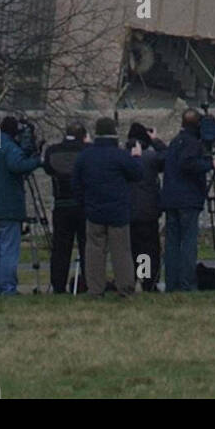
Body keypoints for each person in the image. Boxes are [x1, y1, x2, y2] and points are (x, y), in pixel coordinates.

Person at [71, 117, 143, 297]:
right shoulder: (120, 155)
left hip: (94, 210)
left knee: (94, 252)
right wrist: (137, 157)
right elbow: (137, 174)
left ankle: (95, 289)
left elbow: (76, 184)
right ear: (114, 132)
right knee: (121, 252)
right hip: (118, 211)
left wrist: (84, 203)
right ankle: (125, 288)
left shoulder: (85, 156)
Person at [0, 116, 43, 295]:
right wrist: (36, 161)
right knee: (9, 249)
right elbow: (17, 166)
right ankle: (8, 288)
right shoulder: (10, 148)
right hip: (8, 206)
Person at [161, 109, 215, 293]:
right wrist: (210, 164)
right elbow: (187, 164)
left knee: (172, 243)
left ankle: (172, 283)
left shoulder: (174, 142)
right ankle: (187, 283)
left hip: (171, 198)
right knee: (188, 243)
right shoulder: (192, 143)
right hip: (188, 199)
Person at [43, 122, 88, 294]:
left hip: (61, 204)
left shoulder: (53, 151)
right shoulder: (85, 151)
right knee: (86, 246)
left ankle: (58, 284)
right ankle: (89, 282)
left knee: (60, 248)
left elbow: (48, 168)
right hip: (82, 205)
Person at [126, 122, 166, 291]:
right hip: (148, 210)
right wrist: (156, 140)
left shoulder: (122, 156)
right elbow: (167, 156)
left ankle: (131, 278)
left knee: (130, 248)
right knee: (147, 250)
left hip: (127, 211)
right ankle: (147, 281)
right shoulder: (150, 158)